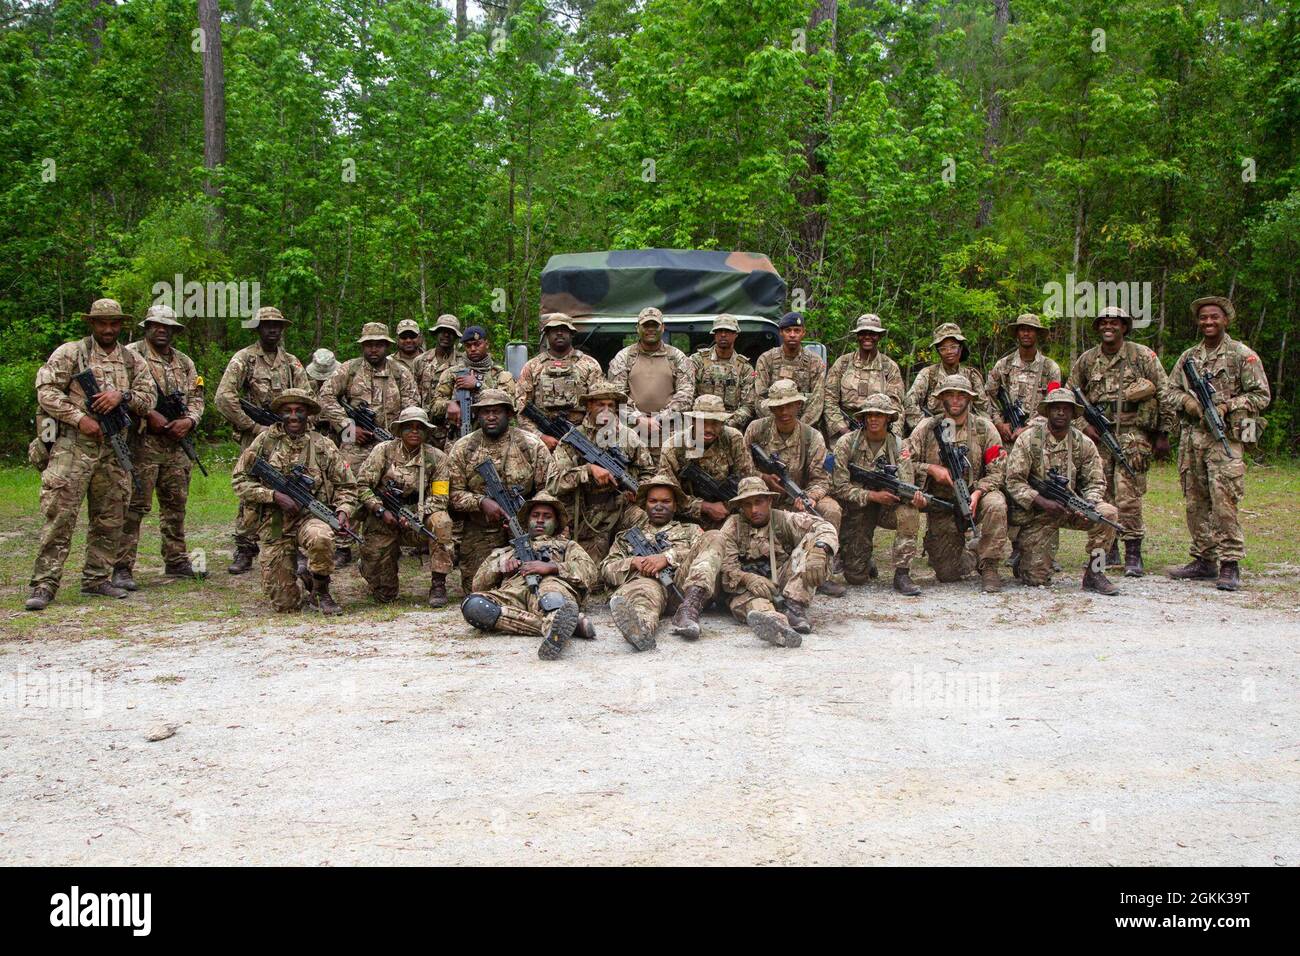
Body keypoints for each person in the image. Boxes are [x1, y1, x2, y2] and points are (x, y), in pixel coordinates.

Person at [24, 298, 156, 611]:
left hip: (114, 448)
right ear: (92, 323)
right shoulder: (71, 352)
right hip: (73, 447)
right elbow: (46, 391)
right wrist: (77, 417)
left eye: (114, 323)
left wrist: (121, 396)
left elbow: (148, 398)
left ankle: (97, 578)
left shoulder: (132, 360)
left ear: (121, 325)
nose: (108, 329)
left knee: (111, 517)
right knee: (61, 515)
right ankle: (45, 583)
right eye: (102, 322)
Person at [1166, 296, 1272, 591]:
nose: (1208, 322)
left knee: (1225, 502)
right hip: (1193, 439)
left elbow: (1262, 395)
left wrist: (1227, 405)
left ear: (1226, 320)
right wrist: (1189, 403)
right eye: (1203, 318)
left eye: (1214, 317)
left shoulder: (1242, 355)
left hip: (1225, 439)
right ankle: (1204, 559)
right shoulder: (1189, 357)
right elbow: (1169, 391)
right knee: (1194, 502)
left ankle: (1230, 564)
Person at [1066, 305, 1172, 576]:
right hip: (1098, 436)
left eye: (1114, 323)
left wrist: (1163, 434)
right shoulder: (1087, 360)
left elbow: (1165, 392)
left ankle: (1133, 552)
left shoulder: (1142, 355)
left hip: (1133, 434)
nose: (1108, 327)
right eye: (1103, 323)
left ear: (1124, 327)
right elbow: (1068, 398)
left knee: (1129, 495)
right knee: (1101, 492)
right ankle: (1108, 549)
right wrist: (1082, 425)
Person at [231, 389, 357, 615]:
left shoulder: (323, 445)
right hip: (274, 523)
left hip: (310, 518)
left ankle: (320, 590)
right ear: (280, 413)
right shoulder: (264, 442)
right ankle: (303, 577)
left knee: (322, 537)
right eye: (288, 411)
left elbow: (347, 486)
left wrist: (343, 511)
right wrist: (274, 496)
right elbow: (239, 481)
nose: (293, 416)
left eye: (299, 410)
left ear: (307, 414)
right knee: (285, 605)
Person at [114, 304, 205, 590]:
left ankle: (176, 560)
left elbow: (197, 398)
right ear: (147, 327)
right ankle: (122, 566)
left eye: (168, 327)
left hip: (176, 446)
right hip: (141, 445)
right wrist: (145, 413)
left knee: (175, 505)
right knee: (134, 507)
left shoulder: (184, 362)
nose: (162, 330)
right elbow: (116, 395)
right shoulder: (129, 355)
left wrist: (189, 421)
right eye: (156, 325)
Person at [214, 305, 309, 574]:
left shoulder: (291, 362)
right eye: (267, 325)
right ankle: (245, 547)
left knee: (292, 487)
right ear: (258, 329)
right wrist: (253, 426)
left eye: (276, 326)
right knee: (252, 490)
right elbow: (224, 397)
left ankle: (292, 543)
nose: (272, 330)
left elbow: (307, 396)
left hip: (290, 435)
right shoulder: (245, 359)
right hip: (257, 437)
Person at [1003, 387, 1120, 594]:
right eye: (1055, 408)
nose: (1060, 412)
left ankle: (1095, 573)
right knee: (1035, 578)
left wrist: (1089, 504)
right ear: (1047, 411)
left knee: (1107, 514)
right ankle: (1024, 557)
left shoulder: (1083, 444)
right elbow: (1014, 481)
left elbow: (1096, 482)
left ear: (1073, 413)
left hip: (1072, 509)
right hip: (1037, 512)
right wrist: (1041, 501)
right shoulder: (1029, 440)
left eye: (1066, 409)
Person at [460, 492, 598, 661]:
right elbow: (477, 585)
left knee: (553, 600)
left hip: (550, 586)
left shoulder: (568, 546)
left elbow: (590, 570)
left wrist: (551, 567)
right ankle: (564, 625)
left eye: (547, 516)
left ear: (556, 523)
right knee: (474, 605)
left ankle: (555, 624)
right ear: (527, 521)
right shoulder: (508, 550)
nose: (540, 520)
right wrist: (501, 568)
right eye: (535, 515)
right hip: (514, 592)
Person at [906, 374, 1011, 592]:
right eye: (950, 395)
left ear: (969, 399)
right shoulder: (926, 428)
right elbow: (904, 462)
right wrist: (931, 469)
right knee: (947, 574)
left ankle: (990, 566)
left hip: (975, 497)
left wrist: (978, 493)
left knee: (996, 504)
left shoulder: (985, 428)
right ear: (941, 398)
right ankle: (973, 552)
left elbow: (998, 471)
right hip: (942, 503)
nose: (955, 400)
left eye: (961, 395)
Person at [743, 379, 844, 596]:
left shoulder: (812, 436)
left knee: (831, 510)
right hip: (760, 499)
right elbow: (742, 468)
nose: (784, 411)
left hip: (797, 496)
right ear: (771, 408)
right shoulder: (756, 430)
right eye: (778, 407)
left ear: (798, 405)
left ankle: (820, 573)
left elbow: (822, 479)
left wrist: (810, 497)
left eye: (789, 405)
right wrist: (763, 478)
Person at [599, 473, 725, 649]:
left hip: (686, 587)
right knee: (642, 593)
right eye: (653, 501)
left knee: (715, 536)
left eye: (666, 502)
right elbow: (606, 569)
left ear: (675, 506)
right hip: (650, 586)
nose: (659, 506)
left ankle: (688, 610)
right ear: (645, 504)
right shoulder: (627, 538)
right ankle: (641, 630)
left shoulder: (691, 531)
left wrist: (667, 558)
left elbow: (708, 554)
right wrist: (634, 562)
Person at [446, 388, 552, 589]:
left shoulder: (531, 445)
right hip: (481, 528)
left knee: (535, 580)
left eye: (497, 411)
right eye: (485, 412)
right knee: (476, 589)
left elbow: (549, 490)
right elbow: (452, 493)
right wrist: (481, 502)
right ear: (478, 415)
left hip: (526, 527)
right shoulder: (464, 447)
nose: (491, 417)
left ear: (509, 414)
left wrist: (527, 513)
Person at [718, 477, 838, 648]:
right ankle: (776, 624)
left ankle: (794, 606)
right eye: (747, 504)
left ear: (769, 500)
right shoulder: (733, 526)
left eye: (758, 502)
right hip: (750, 588)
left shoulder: (783, 519)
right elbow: (727, 566)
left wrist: (820, 549)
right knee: (753, 605)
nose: (753, 510)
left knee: (816, 544)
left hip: (783, 579)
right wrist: (747, 579)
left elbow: (824, 526)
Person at [354, 407, 455, 607]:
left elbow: (440, 496)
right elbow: (362, 486)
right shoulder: (383, 451)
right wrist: (379, 510)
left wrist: (417, 515)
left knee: (442, 521)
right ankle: (370, 565)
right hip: (384, 520)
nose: (414, 432)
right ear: (400, 430)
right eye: (409, 427)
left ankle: (438, 583)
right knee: (385, 595)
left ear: (427, 432)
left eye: (420, 427)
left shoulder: (437, 458)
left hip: (419, 521)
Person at [545, 380, 654, 563]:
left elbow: (649, 471)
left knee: (648, 520)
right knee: (591, 569)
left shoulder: (629, 436)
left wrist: (639, 489)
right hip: (584, 511)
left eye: (611, 405)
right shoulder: (572, 439)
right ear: (589, 405)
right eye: (600, 404)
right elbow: (553, 483)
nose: (606, 409)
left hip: (620, 506)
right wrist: (587, 470)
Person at [828, 393, 923, 595]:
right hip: (857, 509)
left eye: (879, 415)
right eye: (869, 415)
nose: (873, 419)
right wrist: (871, 495)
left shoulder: (898, 446)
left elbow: (906, 484)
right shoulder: (847, 443)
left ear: (888, 418)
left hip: (887, 508)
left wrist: (914, 498)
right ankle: (863, 558)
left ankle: (902, 573)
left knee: (909, 511)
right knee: (855, 577)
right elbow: (839, 486)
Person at [607, 306, 695, 460]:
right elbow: (616, 395)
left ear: (663, 328)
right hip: (631, 428)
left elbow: (686, 394)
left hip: (669, 428)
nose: (650, 329)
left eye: (655, 325)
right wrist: (639, 419)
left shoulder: (676, 357)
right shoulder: (624, 357)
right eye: (646, 325)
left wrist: (658, 419)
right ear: (637, 328)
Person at [657, 394, 754, 530]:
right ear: (693, 420)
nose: (708, 429)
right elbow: (665, 496)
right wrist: (705, 507)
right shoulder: (673, 447)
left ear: (722, 422)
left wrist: (728, 506)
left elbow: (747, 481)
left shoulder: (733, 439)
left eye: (715, 422)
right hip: (686, 522)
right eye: (703, 422)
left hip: (730, 516)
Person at [514, 313, 604, 448]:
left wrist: (583, 435)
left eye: (564, 329)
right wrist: (540, 437)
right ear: (547, 334)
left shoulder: (589, 364)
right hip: (542, 443)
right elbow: (521, 407)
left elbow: (600, 404)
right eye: (554, 330)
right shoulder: (532, 367)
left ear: (572, 333)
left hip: (582, 439)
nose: (560, 333)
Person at [823, 313, 905, 440]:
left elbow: (896, 405)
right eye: (863, 333)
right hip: (845, 429)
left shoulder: (889, 367)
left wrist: (890, 435)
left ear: (879, 336)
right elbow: (829, 400)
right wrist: (843, 430)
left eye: (872, 333)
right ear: (857, 336)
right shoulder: (843, 363)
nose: (867, 337)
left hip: (880, 429)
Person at [984, 313, 1062, 445]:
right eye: (1022, 329)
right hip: (1007, 434)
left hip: (1039, 435)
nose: (1026, 333)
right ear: (1017, 333)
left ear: (1037, 334)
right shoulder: (1003, 365)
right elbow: (988, 398)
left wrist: (1029, 428)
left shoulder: (1050, 368)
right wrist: (999, 424)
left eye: (1030, 330)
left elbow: (1055, 405)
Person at [430, 325, 515, 440]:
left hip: (494, 439)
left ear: (487, 344)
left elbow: (510, 406)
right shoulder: (452, 373)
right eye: (468, 345)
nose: (473, 349)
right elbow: (434, 407)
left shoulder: (502, 375)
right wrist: (449, 404)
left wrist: (478, 385)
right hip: (457, 438)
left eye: (477, 344)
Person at [904, 322, 990, 432]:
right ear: (938, 351)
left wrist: (978, 431)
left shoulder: (971, 376)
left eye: (953, 347)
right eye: (943, 348)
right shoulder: (928, 374)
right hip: (935, 433)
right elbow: (909, 402)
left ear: (961, 348)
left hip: (967, 432)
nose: (948, 352)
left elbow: (983, 410)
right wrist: (926, 428)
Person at [754, 312, 826, 431]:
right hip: (772, 425)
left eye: (797, 330)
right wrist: (778, 424)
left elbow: (817, 400)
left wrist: (799, 427)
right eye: (788, 330)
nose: (792, 335)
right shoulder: (767, 359)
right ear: (781, 332)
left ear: (803, 333)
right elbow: (759, 397)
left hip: (805, 426)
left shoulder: (815, 361)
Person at [690, 313, 757, 431]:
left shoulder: (745, 367)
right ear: (714, 334)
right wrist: (699, 422)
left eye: (728, 331)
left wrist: (728, 425)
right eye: (719, 331)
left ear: (736, 334)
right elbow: (688, 393)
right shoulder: (698, 360)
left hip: (730, 427)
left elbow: (749, 405)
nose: (723, 334)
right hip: (699, 424)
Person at [413, 313, 465, 447]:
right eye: (442, 331)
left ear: (456, 336)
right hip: (425, 426)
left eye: (450, 332)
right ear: (436, 333)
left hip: (453, 428)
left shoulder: (463, 362)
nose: (446, 335)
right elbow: (413, 393)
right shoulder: (421, 361)